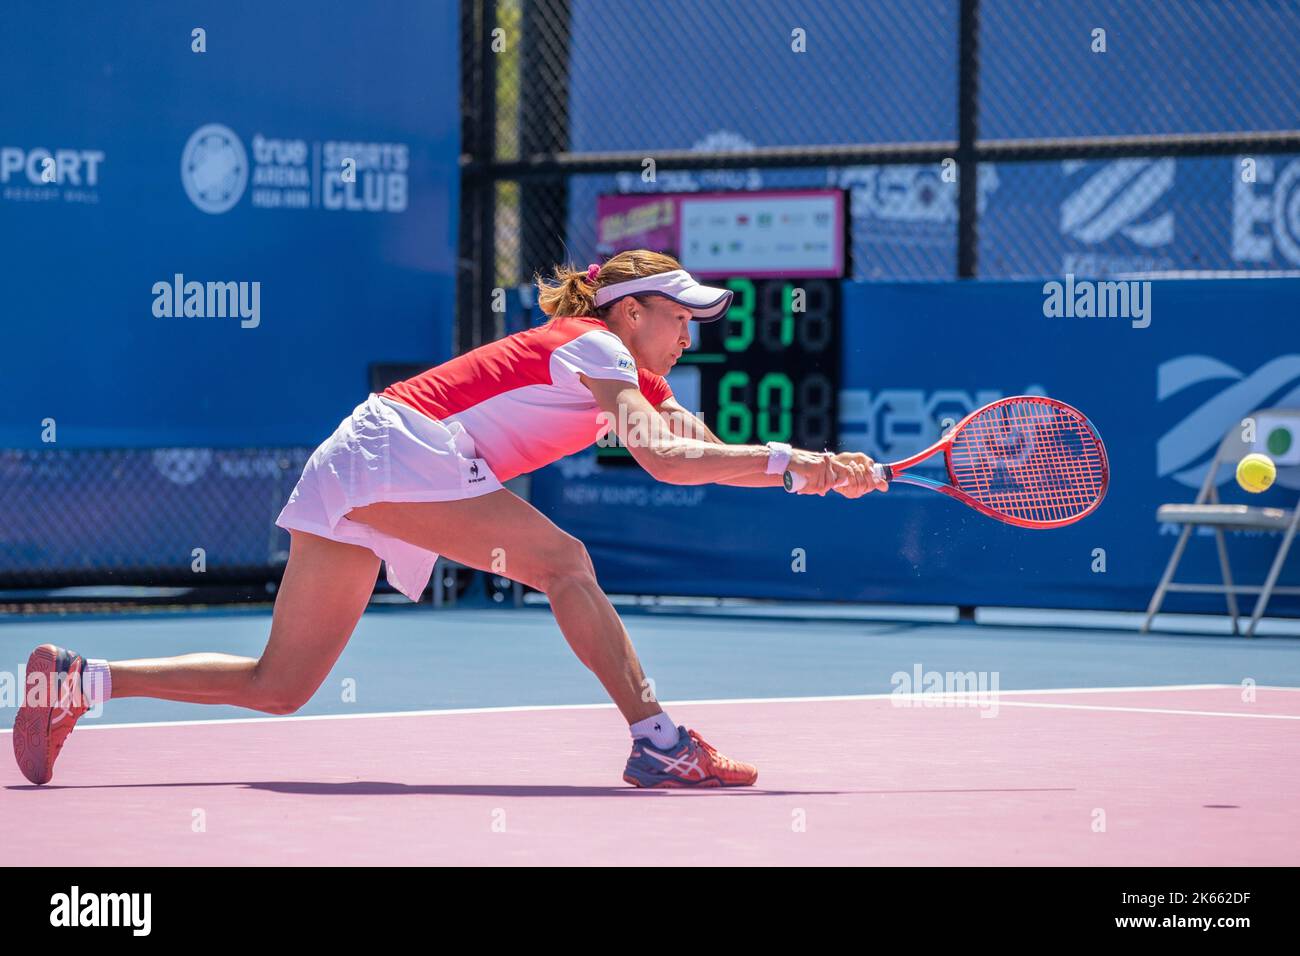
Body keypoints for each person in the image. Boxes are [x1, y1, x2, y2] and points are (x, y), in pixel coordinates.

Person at [13, 250, 886, 789]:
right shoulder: (597, 346)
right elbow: (663, 457)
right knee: (566, 562)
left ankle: (77, 680)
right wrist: (791, 463)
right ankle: (657, 741)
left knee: (280, 686)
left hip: (369, 455)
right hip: (402, 447)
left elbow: (697, 451)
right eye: (682, 313)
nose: (693, 331)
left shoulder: (633, 376)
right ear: (629, 311)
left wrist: (810, 472)